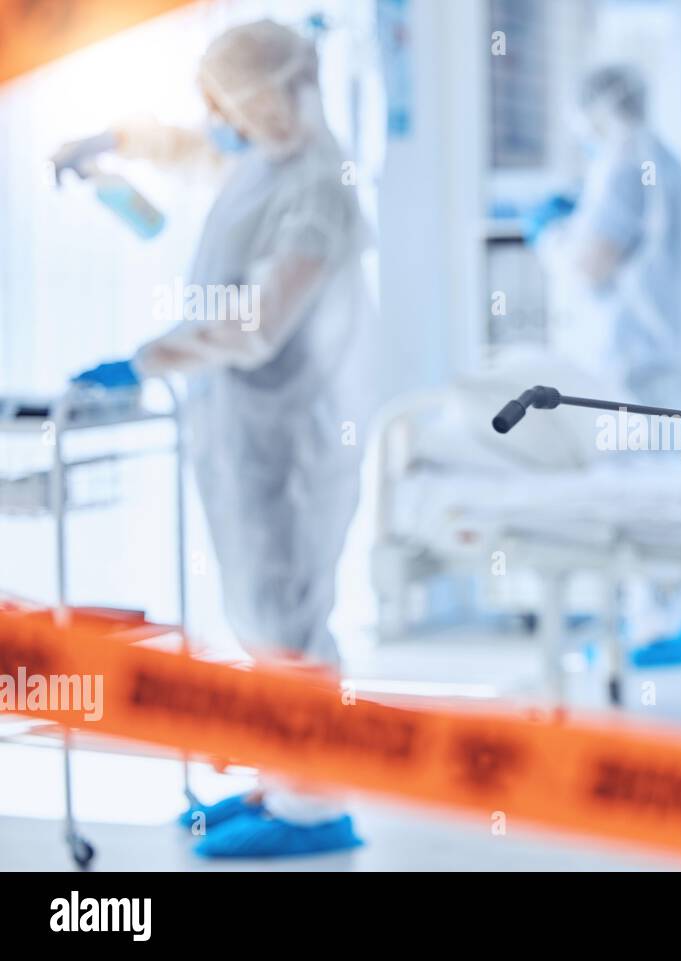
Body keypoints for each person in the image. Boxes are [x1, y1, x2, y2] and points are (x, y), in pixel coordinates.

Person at [66, 20, 370, 855]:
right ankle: (283, 781)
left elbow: (256, 321)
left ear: (273, 98)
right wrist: (112, 140)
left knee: (288, 620)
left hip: (292, 437)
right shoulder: (261, 162)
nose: (216, 117)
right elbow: (191, 149)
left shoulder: (315, 188)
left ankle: (316, 807)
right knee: (260, 618)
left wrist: (147, 360)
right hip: (247, 427)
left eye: (229, 101)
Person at [536, 64, 681, 411]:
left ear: (594, 108)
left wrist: (549, 237)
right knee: (668, 454)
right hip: (669, 347)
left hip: (635, 355)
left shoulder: (620, 163)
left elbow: (593, 263)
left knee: (640, 458)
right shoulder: (666, 158)